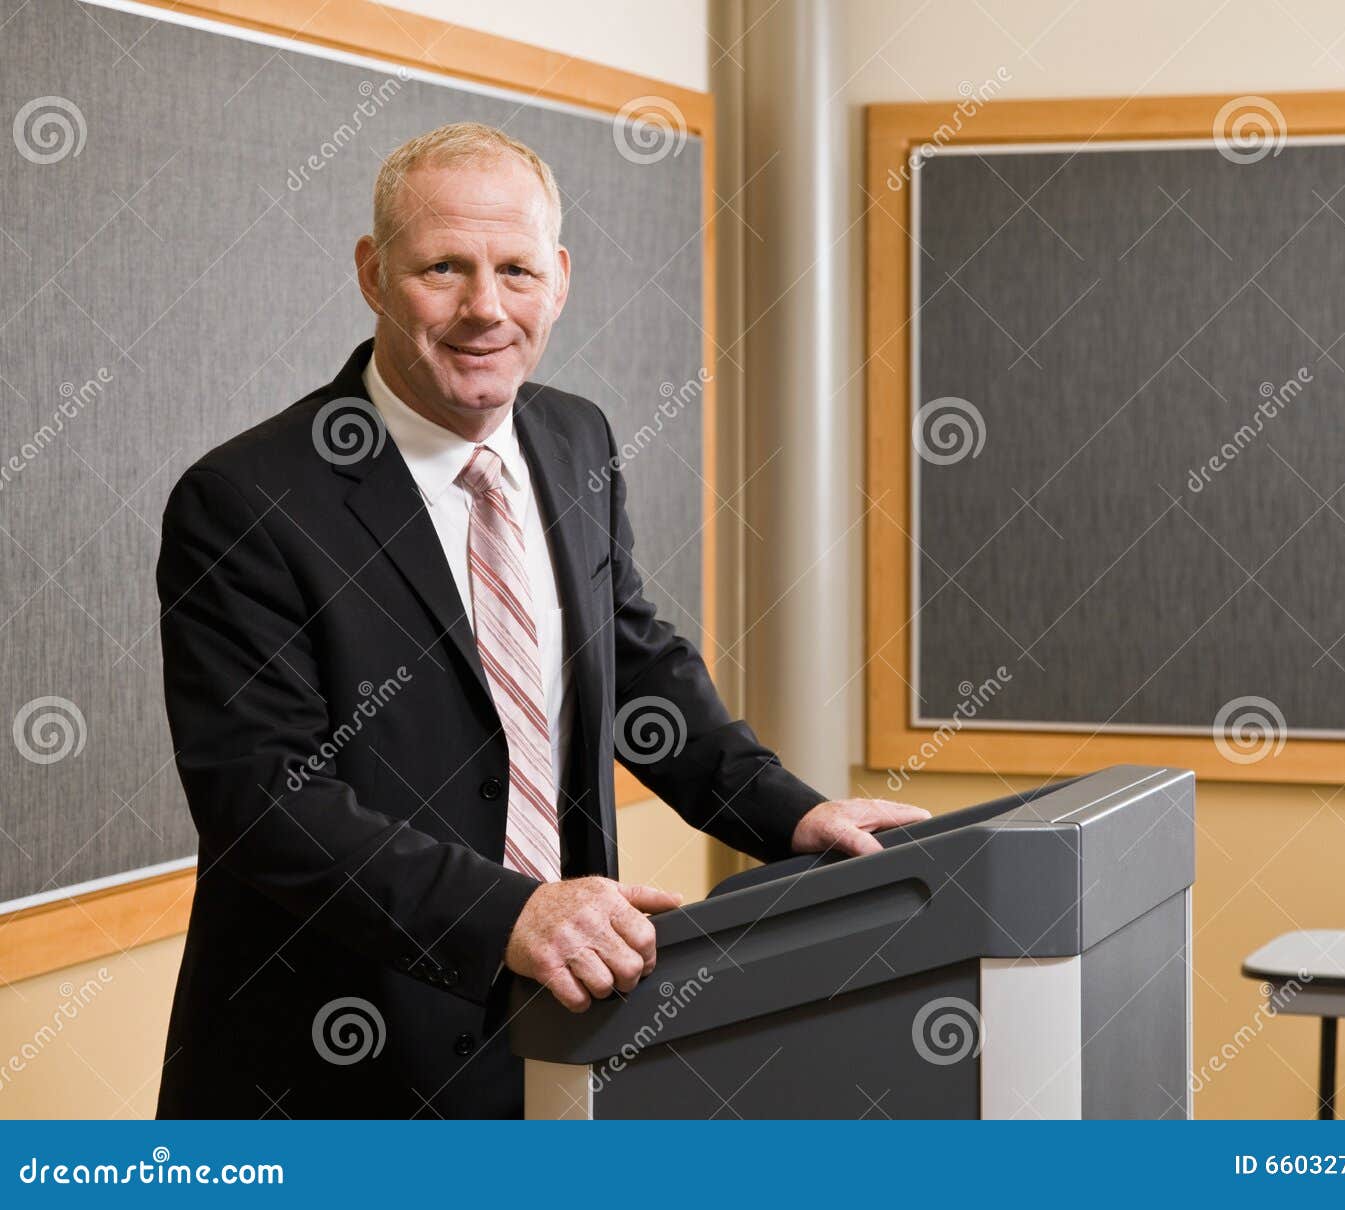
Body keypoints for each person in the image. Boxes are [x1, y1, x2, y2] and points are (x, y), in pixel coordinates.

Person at [153, 122, 927, 1118]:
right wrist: (510, 915)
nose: (485, 307)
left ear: (558, 279)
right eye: (444, 267)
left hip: (565, 1022)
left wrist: (788, 814)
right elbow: (266, 804)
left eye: (515, 270)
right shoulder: (246, 499)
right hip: (335, 1066)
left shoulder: (574, 436)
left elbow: (633, 665)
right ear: (374, 274)